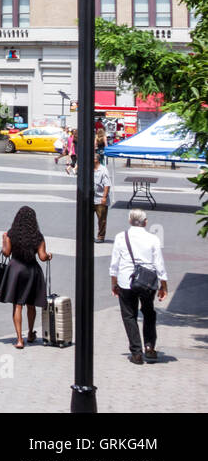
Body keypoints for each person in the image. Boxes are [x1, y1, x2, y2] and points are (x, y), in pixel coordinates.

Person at [110, 208, 169, 364]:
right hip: (147, 282)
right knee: (149, 312)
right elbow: (159, 264)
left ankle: (136, 352)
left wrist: (114, 283)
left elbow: (114, 263)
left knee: (129, 315)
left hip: (125, 281)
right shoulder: (153, 239)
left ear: (130, 221)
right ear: (145, 222)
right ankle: (149, 347)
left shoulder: (121, 237)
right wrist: (163, 285)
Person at [0, 205, 51, 348]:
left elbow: (7, 253)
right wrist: (49, 255)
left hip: (16, 270)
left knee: (18, 305)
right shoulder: (37, 236)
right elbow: (42, 256)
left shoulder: (11, 234)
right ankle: (31, 333)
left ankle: (20, 339)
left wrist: (4, 240)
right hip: (32, 270)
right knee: (31, 304)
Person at [93, 151, 112, 242]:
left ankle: (101, 236)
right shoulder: (89, 169)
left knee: (101, 219)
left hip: (100, 198)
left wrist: (104, 197)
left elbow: (107, 184)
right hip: (91, 198)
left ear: (96, 160)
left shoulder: (103, 170)